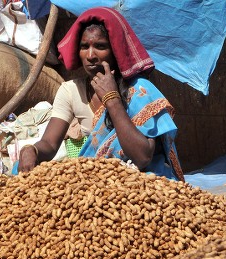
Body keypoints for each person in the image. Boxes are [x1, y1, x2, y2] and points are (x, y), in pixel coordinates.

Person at [18, 7, 184, 181]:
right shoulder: (71, 90)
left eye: (100, 46)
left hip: (141, 179)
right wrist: (32, 149)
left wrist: (112, 99)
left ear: (115, 50)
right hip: (98, 180)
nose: (90, 55)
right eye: (84, 47)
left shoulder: (139, 91)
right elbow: (50, 144)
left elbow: (142, 157)